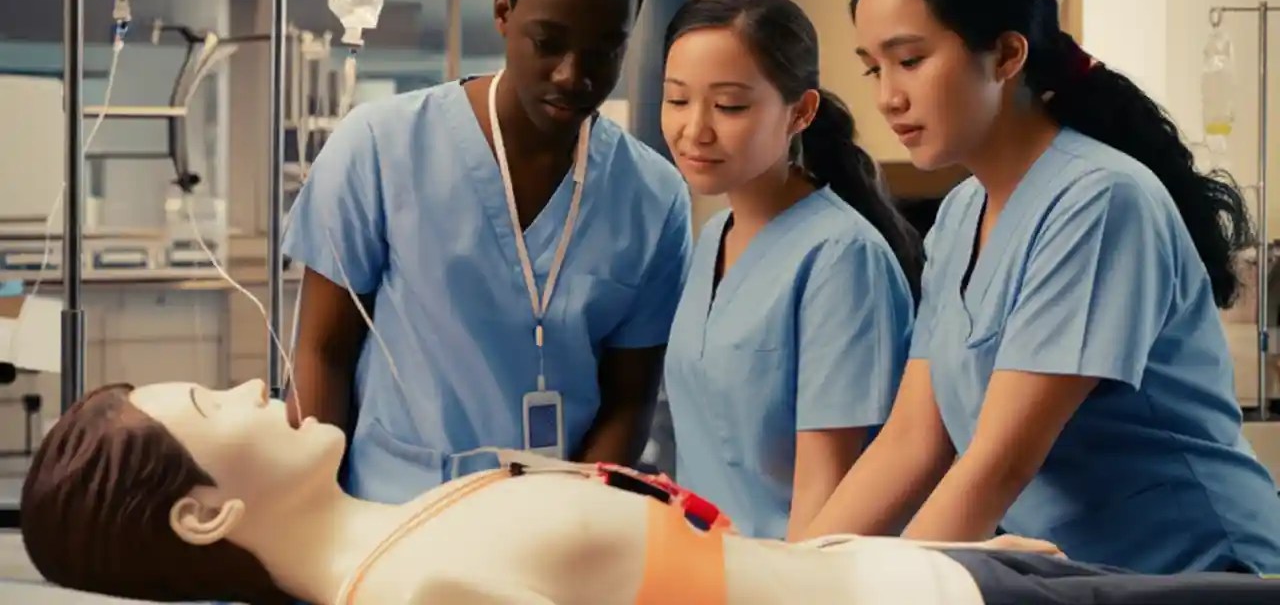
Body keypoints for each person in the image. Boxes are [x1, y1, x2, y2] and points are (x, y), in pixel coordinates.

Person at [803, 0, 1280, 576]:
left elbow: (999, 464)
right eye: (872, 69)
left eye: (910, 60)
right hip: (1086, 577)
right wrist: (791, 572)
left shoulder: (1101, 200)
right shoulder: (963, 214)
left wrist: (881, 590)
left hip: (1201, 572)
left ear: (1006, 54)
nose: (888, 96)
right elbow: (912, 444)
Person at [22, 380, 1280, 605]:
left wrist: (960, 554)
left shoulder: (413, 528)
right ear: (203, 512)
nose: (254, 384)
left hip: (940, 578)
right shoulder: (425, 590)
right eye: (215, 409)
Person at [281, 0, 692, 505]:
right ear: (503, 11)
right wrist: (314, 515)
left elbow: (630, 397)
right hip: (391, 509)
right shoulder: (381, 147)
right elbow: (323, 350)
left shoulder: (653, 198)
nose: (573, 75)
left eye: (604, 51)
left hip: (551, 525)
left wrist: (565, 517)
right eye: (548, 42)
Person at [658, 0, 921, 540]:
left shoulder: (840, 259)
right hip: (708, 571)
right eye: (677, 100)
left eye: (729, 105)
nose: (694, 129)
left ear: (800, 112)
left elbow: (824, 494)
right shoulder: (713, 238)